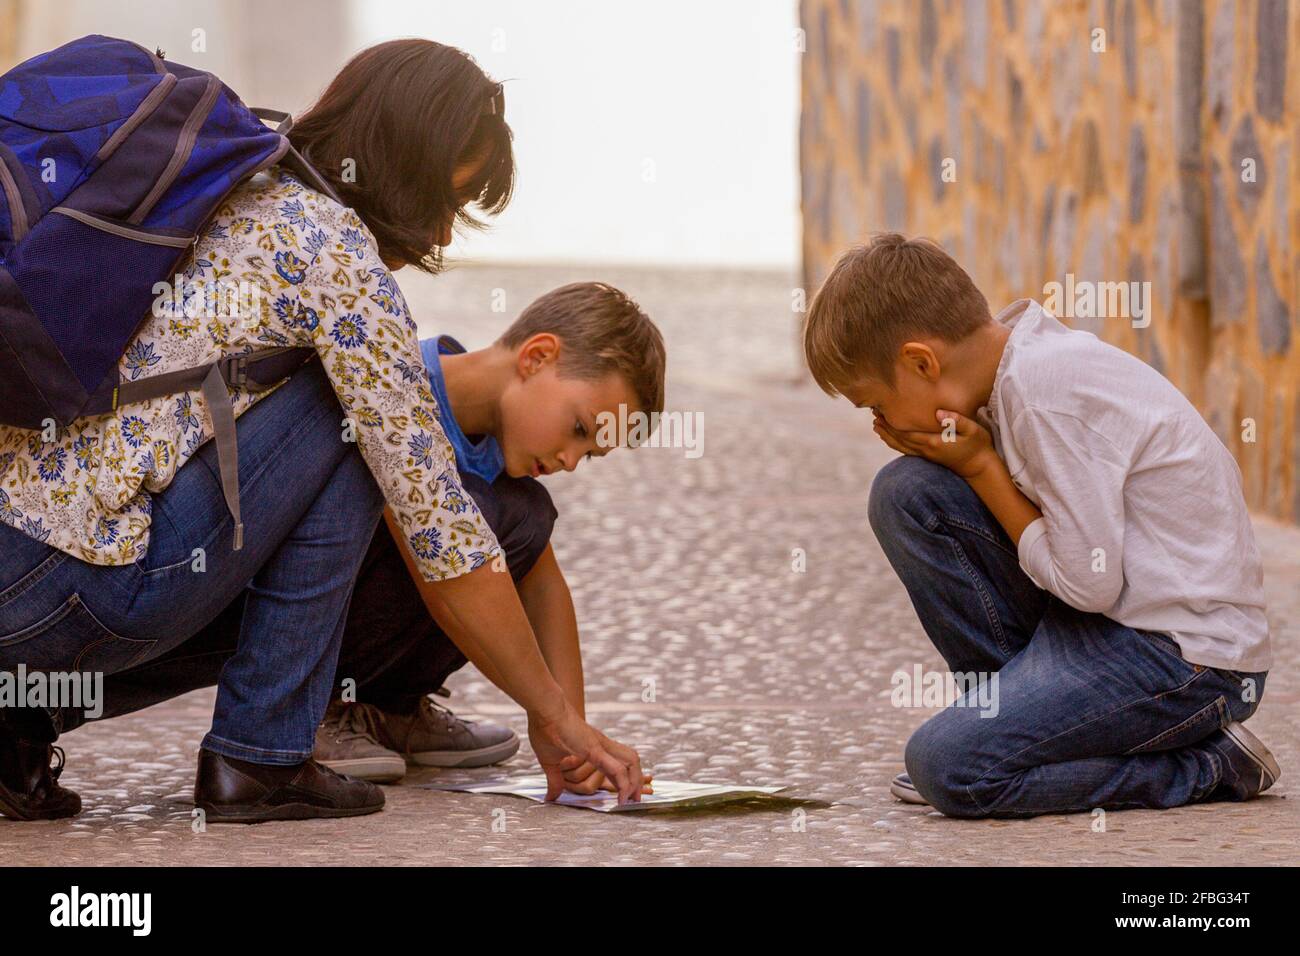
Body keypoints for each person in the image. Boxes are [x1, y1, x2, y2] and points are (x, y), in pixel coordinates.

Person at [0, 39, 644, 824]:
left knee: (320, 450)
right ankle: (260, 757)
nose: (441, 236)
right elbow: (442, 534)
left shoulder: (235, 180)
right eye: (448, 201)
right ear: (404, 156)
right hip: (64, 585)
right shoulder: (335, 256)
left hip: (17, 568)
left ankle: (15, 723)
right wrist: (558, 720)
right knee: (356, 415)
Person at [801, 232, 1278, 819]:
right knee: (907, 493)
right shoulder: (1008, 370)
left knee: (948, 770)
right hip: (1111, 627)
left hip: (1188, 660)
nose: (879, 422)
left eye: (874, 404)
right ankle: (1016, 737)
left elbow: (1087, 584)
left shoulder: (1043, 394)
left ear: (921, 362)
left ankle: (1207, 765)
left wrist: (980, 467)